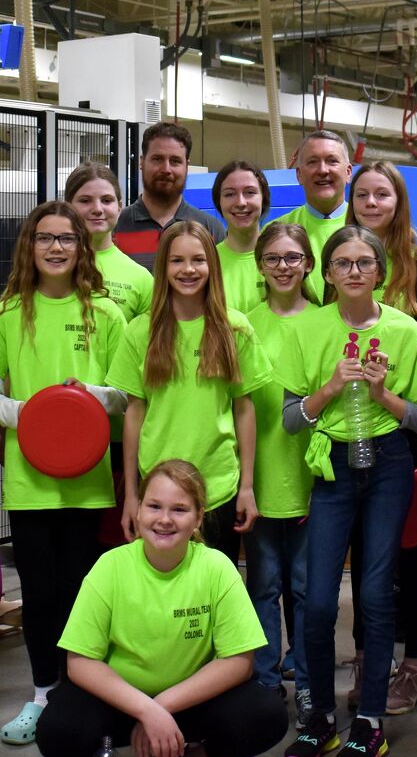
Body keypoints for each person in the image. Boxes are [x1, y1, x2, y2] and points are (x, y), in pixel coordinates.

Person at [36, 460, 287, 757]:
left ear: (199, 517)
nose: (164, 519)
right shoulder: (110, 567)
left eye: (179, 509)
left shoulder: (217, 568)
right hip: (121, 702)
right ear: (138, 510)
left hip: (189, 703)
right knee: (58, 731)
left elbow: (239, 661)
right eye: (154, 506)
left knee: (267, 714)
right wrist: (143, 708)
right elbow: (79, 662)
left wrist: (162, 706)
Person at [280, 225, 417, 757]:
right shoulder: (308, 330)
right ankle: (321, 717)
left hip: (389, 464)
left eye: (364, 262)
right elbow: (288, 419)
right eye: (342, 263)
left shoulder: (403, 331)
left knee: (375, 594)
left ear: (381, 271)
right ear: (325, 274)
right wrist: (328, 389)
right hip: (333, 469)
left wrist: (382, 395)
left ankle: (369, 721)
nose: (354, 271)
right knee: (320, 598)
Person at [0, 203, 129, 748]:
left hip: (89, 483)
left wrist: (87, 399)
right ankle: (42, 692)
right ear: (29, 246)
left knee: (85, 590)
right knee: (39, 593)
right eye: (46, 239)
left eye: (67, 239)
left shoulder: (105, 314)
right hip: (30, 481)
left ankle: (86, 690)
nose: (57, 248)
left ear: (82, 248)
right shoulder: (7, 313)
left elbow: (124, 394)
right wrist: (34, 414)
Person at [341, 160, 417, 715]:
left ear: (398, 201)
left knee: (409, 550)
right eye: (363, 194)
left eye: (382, 194)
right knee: (365, 555)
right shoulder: (341, 263)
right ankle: (366, 656)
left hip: (409, 427)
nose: (372, 202)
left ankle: (412, 662)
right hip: (357, 426)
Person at [107, 221, 267, 553]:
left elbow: (244, 409)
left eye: (198, 260)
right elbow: (134, 414)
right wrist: (132, 495)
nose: (188, 269)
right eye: (177, 261)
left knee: (212, 588)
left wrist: (247, 487)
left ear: (212, 265)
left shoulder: (234, 328)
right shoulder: (141, 331)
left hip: (218, 485)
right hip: (157, 492)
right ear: (163, 267)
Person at [244, 220, 318, 713]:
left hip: (314, 478)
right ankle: (266, 682)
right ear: (260, 267)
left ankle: (310, 681)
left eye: (293, 258)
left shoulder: (326, 321)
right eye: (273, 259)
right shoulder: (241, 324)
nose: (283, 267)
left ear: (309, 264)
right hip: (261, 475)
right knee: (263, 585)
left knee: (308, 590)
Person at [113, 120, 226, 267]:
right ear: (141, 162)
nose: (166, 169)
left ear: (186, 166)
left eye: (175, 161)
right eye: (157, 159)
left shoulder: (211, 229)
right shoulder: (115, 227)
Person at [67, 162, 152, 320]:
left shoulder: (142, 279)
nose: (98, 209)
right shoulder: (49, 266)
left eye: (106, 200)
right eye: (85, 201)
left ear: (119, 207)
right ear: (68, 207)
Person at [277, 129, 354, 293]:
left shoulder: (367, 227)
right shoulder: (275, 232)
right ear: (299, 175)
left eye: (332, 161)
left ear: (348, 172)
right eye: (312, 162)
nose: (323, 170)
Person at [212, 160, 270, 313]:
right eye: (229, 194)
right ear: (219, 202)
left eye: (250, 192)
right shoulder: (208, 262)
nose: (241, 202)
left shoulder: (283, 259)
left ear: (263, 197)